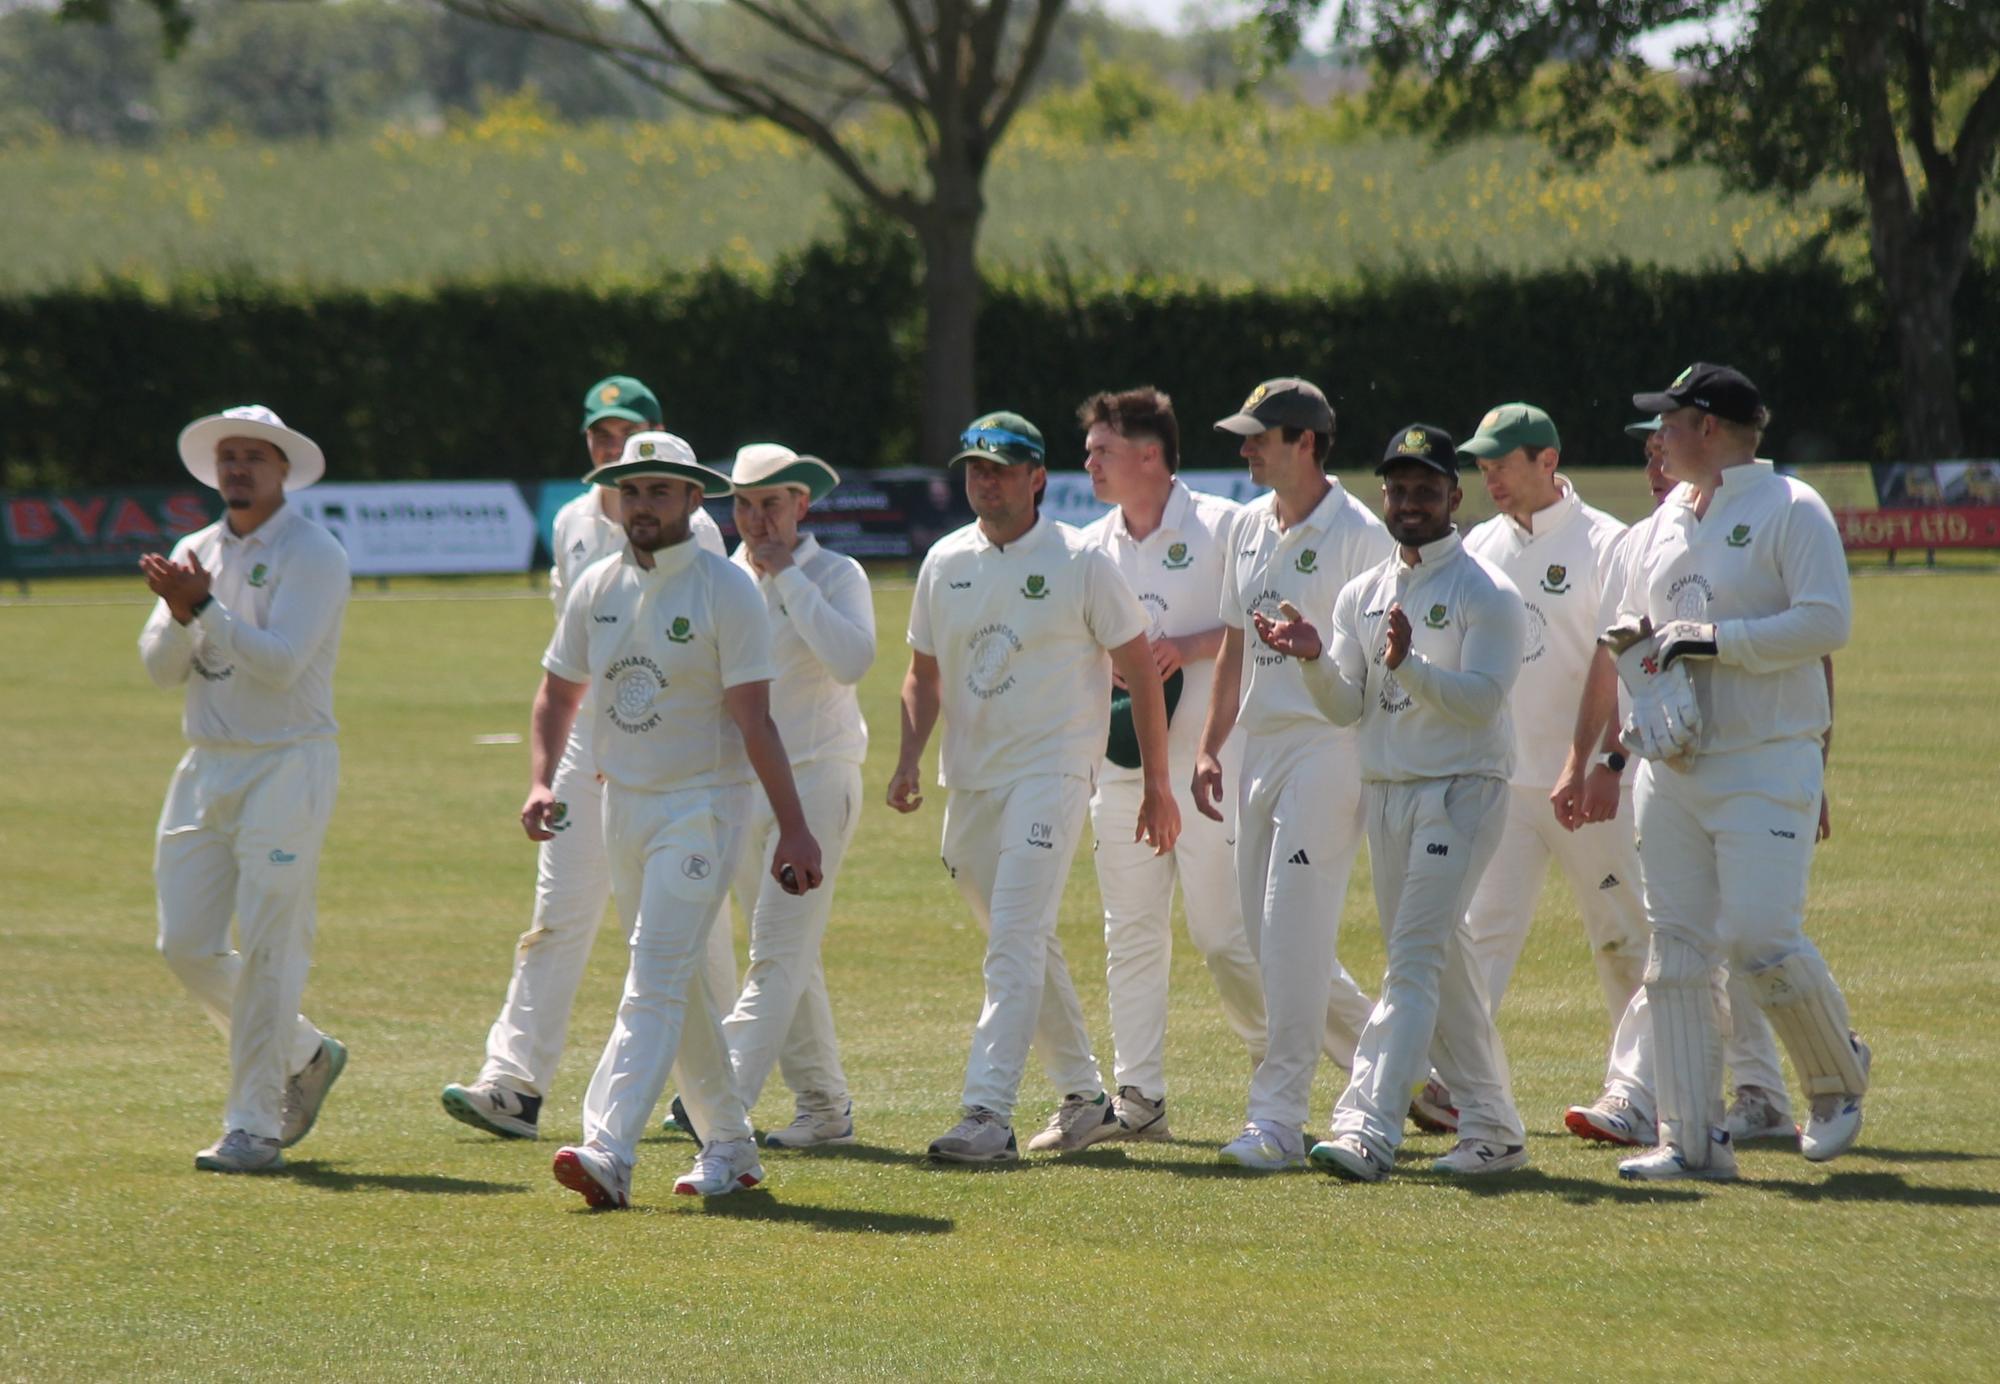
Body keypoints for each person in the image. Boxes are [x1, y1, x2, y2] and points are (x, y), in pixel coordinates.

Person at [532, 431, 823, 1208]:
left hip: (703, 807)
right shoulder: (597, 584)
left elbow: (756, 721)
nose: (643, 505)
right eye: (632, 490)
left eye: (660, 490)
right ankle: (729, 1143)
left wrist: (795, 828)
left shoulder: (725, 589)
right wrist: (539, 781)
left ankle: (608, 1148)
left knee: (654, 973)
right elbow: (558, 690)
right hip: (622, 805)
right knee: (681, 983)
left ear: (695, 498)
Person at [889, 410, 1179, 1163]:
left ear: (1037, 477)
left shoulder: (1081, 559)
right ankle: (1085, 1095)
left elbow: (1141, 669)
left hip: (1052, 773)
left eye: (1002, 469)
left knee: (1014, 941)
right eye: (976, 469)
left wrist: (1157, 783)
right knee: (1020, 940)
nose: (986, 482)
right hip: (971, 779)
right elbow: (923, 674)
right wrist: (909, 757)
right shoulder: (944, 561)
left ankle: (987, 1114)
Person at [441, 375, 722, 1141]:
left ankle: (716, 1091)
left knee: (693, 931)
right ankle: (514, 1084)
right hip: (586, 744)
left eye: (624, 434)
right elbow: (567, 661)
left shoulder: (699, 532)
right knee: (557, 916)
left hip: (670, 750)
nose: (610, 447)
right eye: (600, 435)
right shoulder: (570, 520)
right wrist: (547, 771)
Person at [1605, 363, 1866, 1181]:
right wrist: (1642, 677)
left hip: (1767, 754)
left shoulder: (1792, 507)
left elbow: (1826, 622)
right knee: (1676, 953)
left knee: (1759, 935)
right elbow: (1634, 630)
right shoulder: (1662, 523)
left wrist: (1719, 642)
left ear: (1708, 428)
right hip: (1675, 762)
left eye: (1669, 422)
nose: (1658, 437)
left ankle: (1835, 1078)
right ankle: (1690, 1141)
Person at [1258, 423, 1532, 1182]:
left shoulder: (1487, 591)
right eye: (1399, 489)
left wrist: (1409, 666)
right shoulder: (1363, 593)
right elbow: (1347, 707)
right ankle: (1493, 1127)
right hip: (1387, 795)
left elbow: (1480, 703)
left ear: (1454, 495)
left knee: (1411, 961)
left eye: (1426, 489)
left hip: (1461, 791)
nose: (1411, 502)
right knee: (1444, 968)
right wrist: (1314, 660)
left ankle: (1366, 1127)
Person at [1557, 411, 1802, 1150]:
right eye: (1648, 451)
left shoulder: (1755, 529)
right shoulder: (1639, 543)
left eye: (1665, 446)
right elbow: (1615, 664)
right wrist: (1594, 760)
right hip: (1659, 769)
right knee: (1693, 938)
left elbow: (1808, 651)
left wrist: (1815, 761)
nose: (1655, 463)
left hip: (1744, 763)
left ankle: (1650, 1095)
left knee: (1719, 935)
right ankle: (1754, 1093)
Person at [1192, 378, 1405, 1172]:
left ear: (1306, 442)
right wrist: (1211, 745)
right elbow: (1234, 644)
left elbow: (1382, 665)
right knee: (1265, 938)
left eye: (1260, 436)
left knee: (1289, 937)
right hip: (1262, 748)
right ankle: (1408, 1073)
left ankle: (1277, 1121)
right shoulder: (1248, 525)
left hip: (1331, 747)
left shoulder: (1360, 534)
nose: (1246, 448)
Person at [139, 404, 351, 1173]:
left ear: (282, 469)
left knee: (269, 947)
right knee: (186, 946)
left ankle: (253, 1128)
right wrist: (178, 616)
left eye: (254, 457)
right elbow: (159, 668)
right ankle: (305, 1052)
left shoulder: (313, 551)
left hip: (288, 762)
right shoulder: (193, 549)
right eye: (228, 456)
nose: (238, 468)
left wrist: (204, 609)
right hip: (206, 763)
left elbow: (282, 662)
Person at [1074, 387, 1263, 1142]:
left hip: (1213, 768)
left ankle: (1302, 1066)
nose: (1089, 462)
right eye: (1089, 451)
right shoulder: (1090, 545)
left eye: (1103, 450)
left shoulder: (1224, 526)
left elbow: (1258, 625)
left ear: (1150, 454)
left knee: (1228, 939)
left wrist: (1185, 647)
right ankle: (1139, 1099)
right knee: (1131, 935)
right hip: (1123, 770)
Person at [693, 444, 874, 1149]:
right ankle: (823, 1108)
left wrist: (790, 578)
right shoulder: (723, 577)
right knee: (790, 953)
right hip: (746, 785)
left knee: (775, 952)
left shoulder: (836, 573)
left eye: (770, 503)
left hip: (821, 776)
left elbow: (852, 660)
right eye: (743, 504)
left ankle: (719, 1106)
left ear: (801, 503)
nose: (756, 519)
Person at [1456, 404, 1648, 1052]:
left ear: (1548, 460)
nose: (1491, 479)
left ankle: (1641, 1086)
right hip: (1504, 785)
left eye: (1503, 465)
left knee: (1622, 937)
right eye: (1483, 468)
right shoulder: (1479, 547)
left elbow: (1621, 665)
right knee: (1479, 935)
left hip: (1592, 787)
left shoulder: (1608, 543)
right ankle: (1458, 1083)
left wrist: (1603, 763)